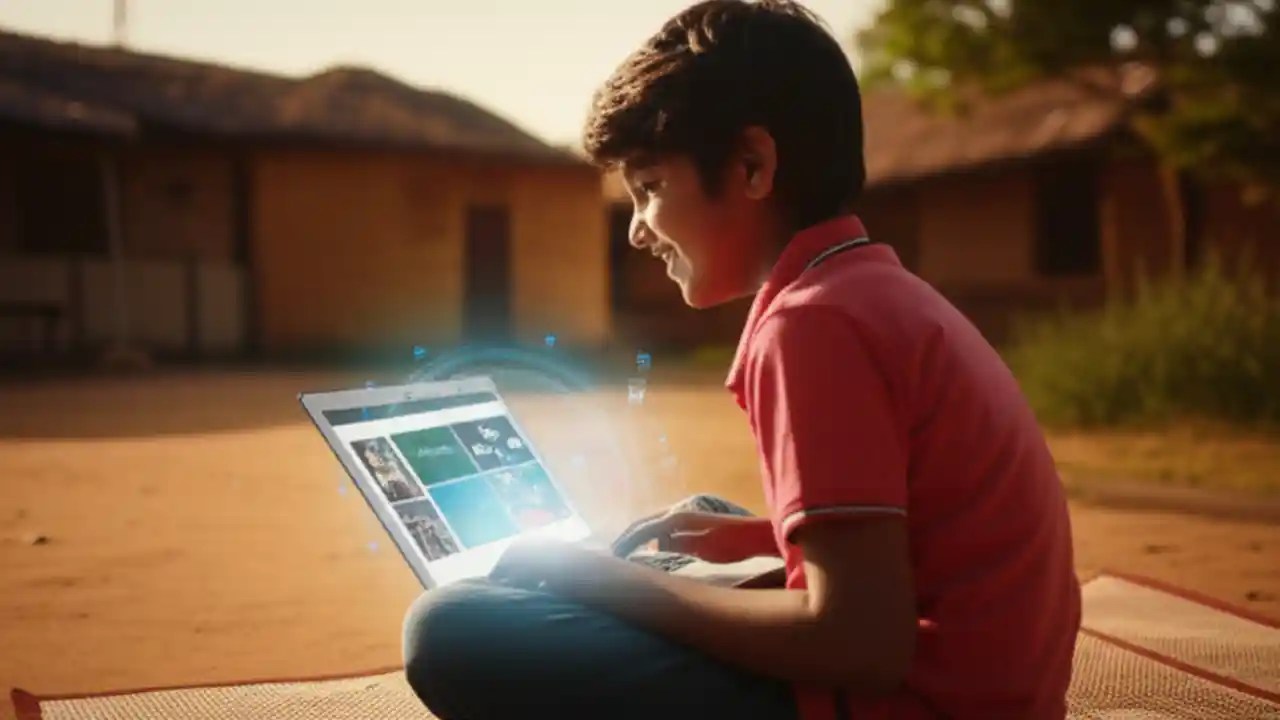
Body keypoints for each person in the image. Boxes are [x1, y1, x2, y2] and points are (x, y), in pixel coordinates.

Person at [401, 2, 1081, 718]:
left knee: (449, 628)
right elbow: (914, 541)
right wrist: (754, 540)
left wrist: (606, 584)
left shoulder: (813, 325)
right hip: (998, 692)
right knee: (701, 524)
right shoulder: (868, 289)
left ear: (752, 166)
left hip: (916, 703)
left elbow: (862, 645)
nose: (637, 231)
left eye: (651, 188)